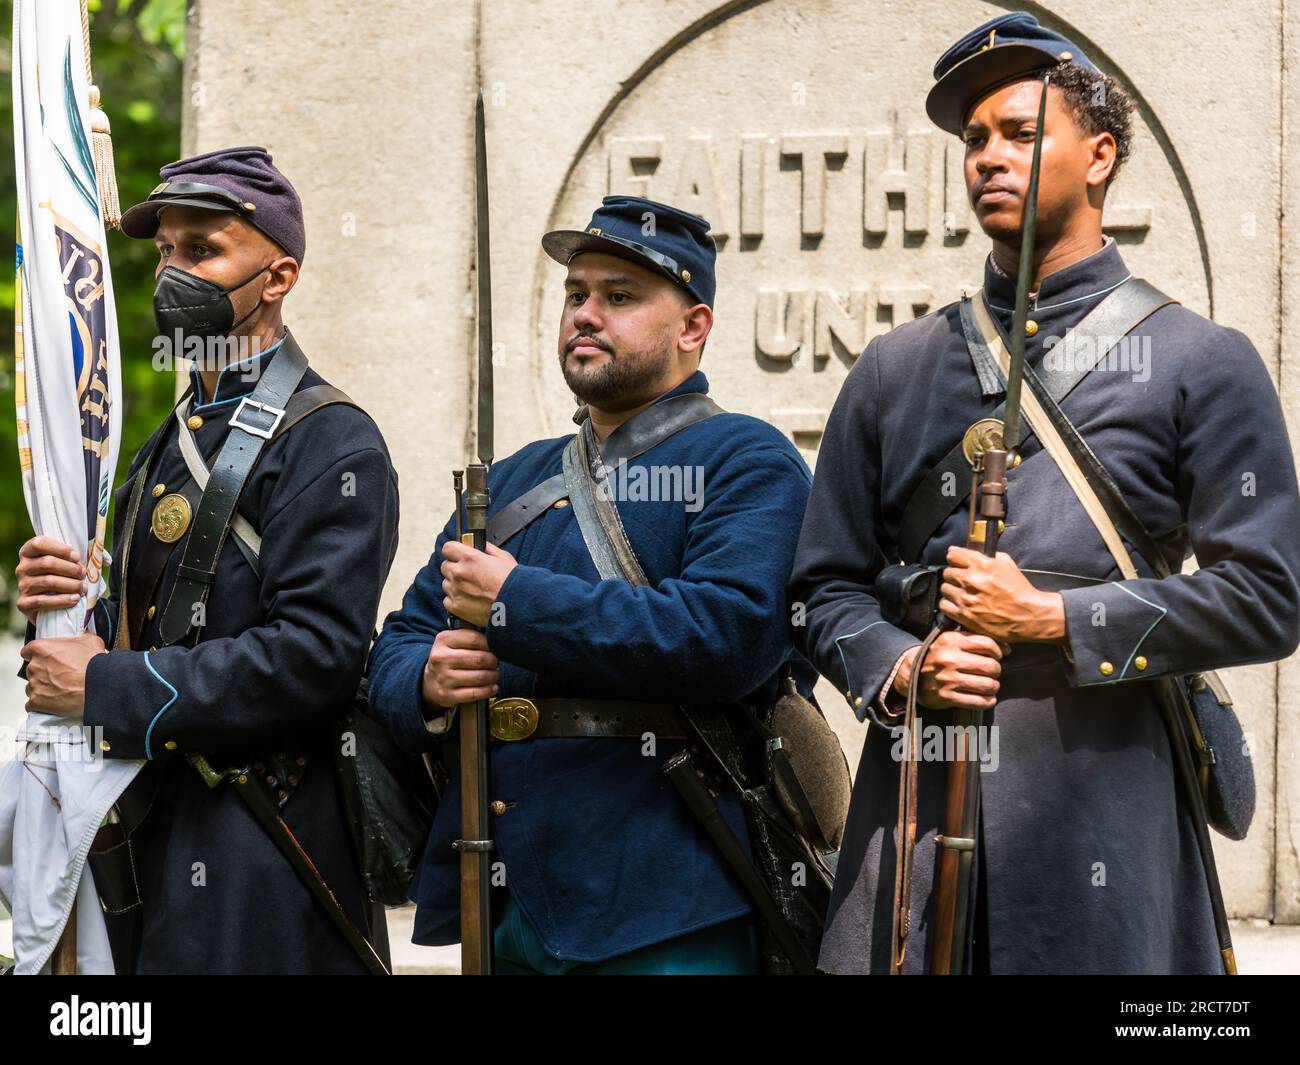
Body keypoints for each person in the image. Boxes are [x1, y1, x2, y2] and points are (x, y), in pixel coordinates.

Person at [787, 12, 1300, 974]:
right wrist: (902, 669)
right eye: (974, 139)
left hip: (1107, 817)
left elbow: (1268, 597)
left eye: (1020, 133)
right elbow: (822, 590)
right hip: (914, 812)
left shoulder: (1203, 361)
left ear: (1099, 155)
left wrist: (1057, 619)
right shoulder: (896, 369)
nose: (988, 156)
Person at [367, 195, 817, 974]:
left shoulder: (747, 459)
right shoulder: (510, 480)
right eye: (577, 293)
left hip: (672, 900)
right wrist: (430, 681)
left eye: (620, 296)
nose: (585, 313)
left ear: (693, 327)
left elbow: (726, 635)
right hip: (504, 893)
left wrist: (515, 602)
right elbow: (399, 643)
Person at [17, 146, 400, 974]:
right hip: (145, 828)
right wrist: (61, 612)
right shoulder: (164, 442)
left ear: (279, 275)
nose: (172, 273)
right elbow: (139, 631)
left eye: (203, 250)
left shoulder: (333, 439)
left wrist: (107, 684)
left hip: (262, 849)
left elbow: (317, 658)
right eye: (164, 251)